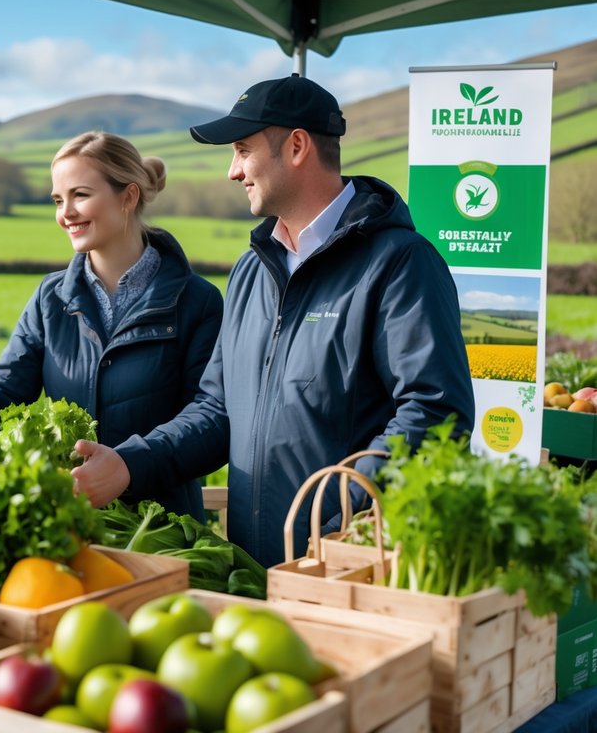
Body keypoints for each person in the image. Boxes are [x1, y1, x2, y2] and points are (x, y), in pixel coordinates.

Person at [69, 75, 476, 568]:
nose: (232, 171)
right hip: (256, 571)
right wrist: (129, 464)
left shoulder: (399, 264)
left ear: (298, 146)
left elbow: (434, 412)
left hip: (346, 569)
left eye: (242, 150)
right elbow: (217, 410)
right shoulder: (251, 272)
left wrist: (336, 523)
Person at [0, 131, 224, 520]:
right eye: (58, 199)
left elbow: (208, 421)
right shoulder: (51, 298)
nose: (65, 212)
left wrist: (128, 465)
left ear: (129, 196)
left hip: (161, 528)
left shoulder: (196, 302)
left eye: (80, 195)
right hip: (71, 521)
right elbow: (3, 401)